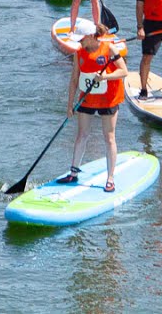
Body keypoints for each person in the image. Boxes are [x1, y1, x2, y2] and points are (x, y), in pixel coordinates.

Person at [63, 19, 128, 192]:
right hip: (87, 98)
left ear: (91, 36)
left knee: (109, 137)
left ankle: (110, 179)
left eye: (82, 39)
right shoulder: (79, 53)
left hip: (109, 99)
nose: (80, 42)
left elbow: (124, 72)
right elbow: (74, 79)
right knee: (81, 135)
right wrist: (70, 105)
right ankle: (73, 172)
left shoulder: (109, 49)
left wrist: (105, 77)